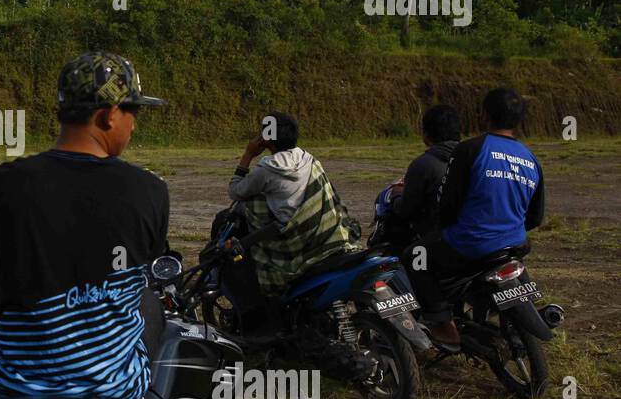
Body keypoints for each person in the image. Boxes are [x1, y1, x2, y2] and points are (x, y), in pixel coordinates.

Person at [0, 52, 169, 399]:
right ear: (108, 116)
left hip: (13, 377)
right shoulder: (149, 189)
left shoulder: (6, 181)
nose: (134, 125)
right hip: (114, 390)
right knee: (149, 301)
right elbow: (148, 265)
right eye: (132, 113)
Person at [406, 88, 546, 351]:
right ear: (519, 119)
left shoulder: (471, 149)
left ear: (484, 115)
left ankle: (443, 325)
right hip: (516, 244)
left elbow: (447, 205)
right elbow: (536, 216)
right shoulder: (531, 159)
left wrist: (444, 229)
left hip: (471, 245)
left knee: (414, 256)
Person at [227, 112, 359, 296]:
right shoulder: (308, 159)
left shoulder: (266, 169)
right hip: (320, 234)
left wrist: (248, 154)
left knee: (250, 204)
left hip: (290, 238)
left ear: (266, 140)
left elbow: (235, 191)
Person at [376, 104, 462, 247]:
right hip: (469, 238)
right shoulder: (474, 158)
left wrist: (395, 197)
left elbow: (405, 210)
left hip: (434, 243)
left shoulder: (423, 164)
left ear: (427, 135)